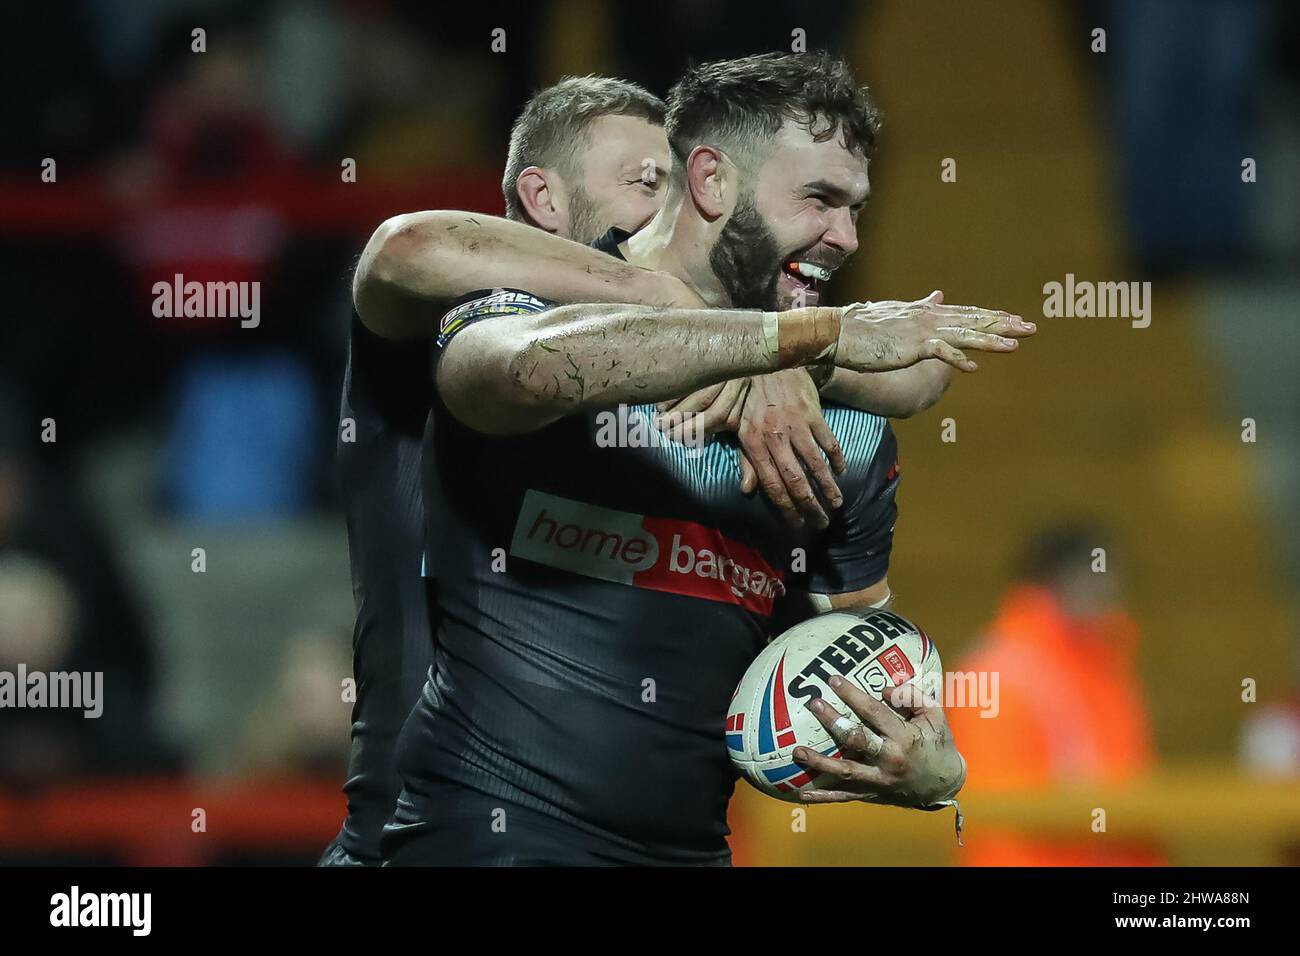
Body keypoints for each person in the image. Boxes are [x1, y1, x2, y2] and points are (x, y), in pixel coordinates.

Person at [377, 52, 1033, 865]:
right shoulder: (539, 299)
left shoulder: (846, 429)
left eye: (857, 208)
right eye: (820, 200)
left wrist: (932, 767)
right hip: (487, 840)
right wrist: (776, 344)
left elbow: (838, 656)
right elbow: (509, 370)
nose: (848, 237)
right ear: (713, 182)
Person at [946, 522, 1162, 865]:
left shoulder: (1103, 665)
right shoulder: (995, 676)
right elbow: (998, 826)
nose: (1113, 594)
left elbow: (1132, 794)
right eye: (1101, 577)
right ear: (1062, 581)